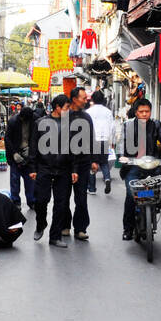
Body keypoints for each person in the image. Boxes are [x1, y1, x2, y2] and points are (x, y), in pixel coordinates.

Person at [116, 98, 161, 240]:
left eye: (147, 111)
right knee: (131, 197)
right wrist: (122, 157)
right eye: (141, 111)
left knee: (155, 194)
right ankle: (128, 229)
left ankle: (154, 205)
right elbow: (121, 143)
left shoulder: (156, 124)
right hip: (133, 166)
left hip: (152, 165)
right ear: (136, 113)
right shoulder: (128, 125)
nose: (144, 114)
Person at [29, 94, 76, 247]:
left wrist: (74, 169)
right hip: (44, 167)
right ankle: (40, 224)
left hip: (64, 169)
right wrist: (32, 168)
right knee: (41, 200)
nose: (68, 111)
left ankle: (55, 237)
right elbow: (33, 147)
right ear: (57, 108)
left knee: (61, 204)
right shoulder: (40, 123)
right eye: (66, 108)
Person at [67, 86, 96, 241]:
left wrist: (94, 160)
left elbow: (92, 139)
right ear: (74, 99)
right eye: (83, 98)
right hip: (66, 163)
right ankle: (64, 225)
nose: (86, 101)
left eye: (86, 98)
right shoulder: (64, 115)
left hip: (83, 163)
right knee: (64, 197)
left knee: (81, 197)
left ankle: (80, 228)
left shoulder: (86, 117)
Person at [84, 89, 115, 196]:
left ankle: (92, 188)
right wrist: (112, 141)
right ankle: (107, 178)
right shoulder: (108, 112)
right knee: (104, 162)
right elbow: (112, 127)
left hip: (93, 141)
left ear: (92, 99)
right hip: (104, 140)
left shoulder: (88, 112)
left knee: (92, 164)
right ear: (103, 100)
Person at [4, 105, 36, 209]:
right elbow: (7, 139)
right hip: (15, 154)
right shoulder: (13, 121)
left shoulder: (34, 120)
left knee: (30, 180)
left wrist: (30, 150)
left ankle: (31, 201)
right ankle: (16, 201)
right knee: (15, 180)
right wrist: (14, 153)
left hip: (28, 154)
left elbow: (36, 137)